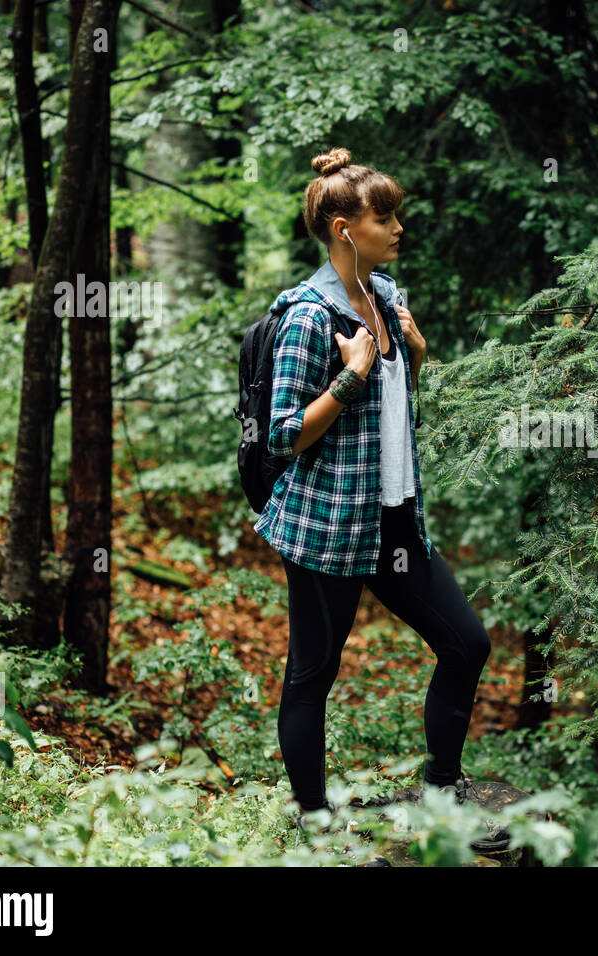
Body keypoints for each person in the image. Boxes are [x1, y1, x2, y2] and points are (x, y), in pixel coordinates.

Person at [252, 146, 502, 847]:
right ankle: (319, 829)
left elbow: (389, 416)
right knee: (312, 675)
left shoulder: (385, 297)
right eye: (383, 217)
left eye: (395, 215)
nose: (397, 228)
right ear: (342, 229)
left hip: (395, 522)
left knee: (466, 644)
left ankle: (441, 796)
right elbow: (282, 436)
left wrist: (411, 358)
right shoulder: (306, 318)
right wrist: (349, 378)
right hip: (326, 529)